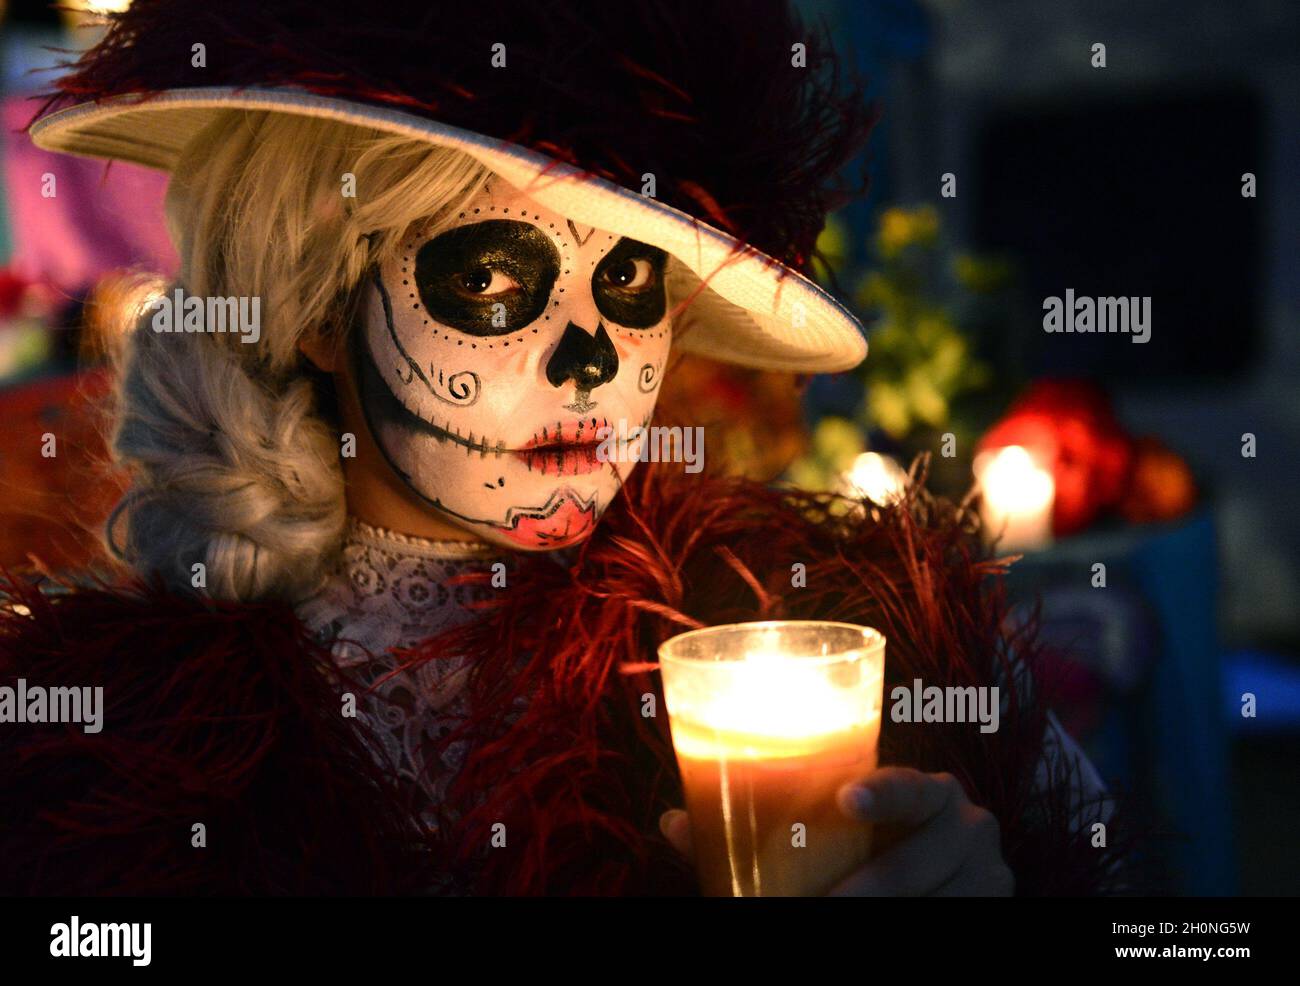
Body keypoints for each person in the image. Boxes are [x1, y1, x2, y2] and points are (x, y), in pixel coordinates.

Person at [0, 0, 1123, 896]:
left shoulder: (839, 631)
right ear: (312, 300)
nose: (592, 359)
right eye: (492, 276)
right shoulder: (103, 749)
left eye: (629, 281)